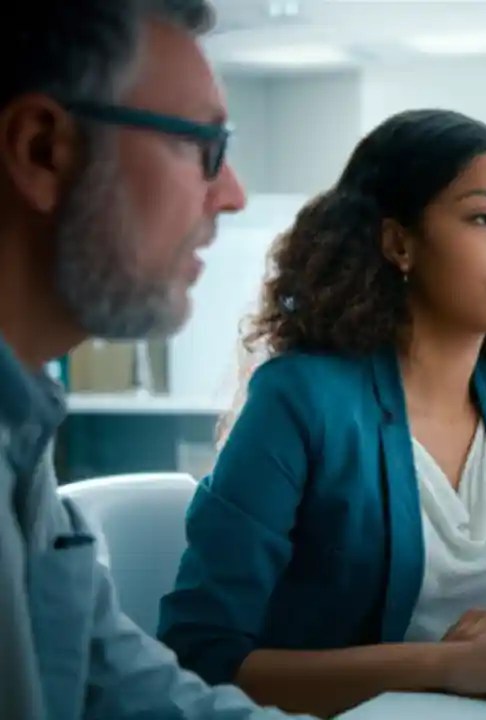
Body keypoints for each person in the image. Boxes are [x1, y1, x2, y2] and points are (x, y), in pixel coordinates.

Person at [157, 109, 486, 717]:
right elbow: (201, 658)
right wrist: (448, 666)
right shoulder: (301, 398)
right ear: (398, 243)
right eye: (485, 218)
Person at [0, 2, 308, 718]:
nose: (232, 196)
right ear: (44, 150)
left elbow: (123, 690)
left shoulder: (24, 426)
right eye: (205, 144)